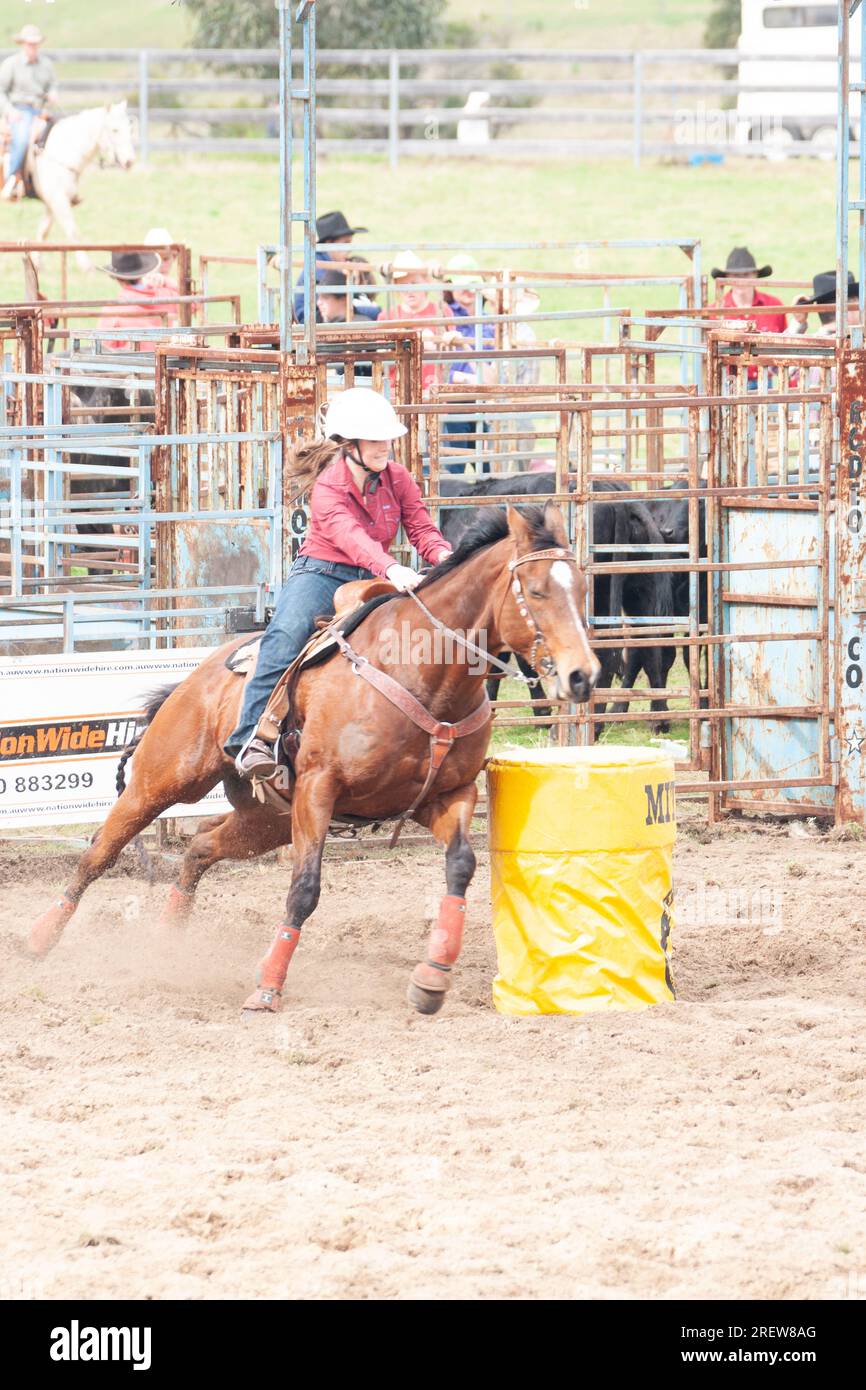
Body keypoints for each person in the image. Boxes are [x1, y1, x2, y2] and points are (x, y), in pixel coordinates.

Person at [225, 387, 452, 779]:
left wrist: (446, 558)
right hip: (322, 574)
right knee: (284, 638)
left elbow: (420, 528)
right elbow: (352, 538)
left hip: (374, 577)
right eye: (376, 439)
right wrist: (392, 569)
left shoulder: (397, 478)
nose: (386, 446)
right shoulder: (329, 486)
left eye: (388, 438)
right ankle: (250, 738)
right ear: (350, 445)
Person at [439, 254, 496, 471]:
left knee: (489, 465)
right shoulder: (445, 316)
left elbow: (495, 370)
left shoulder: (489, 322)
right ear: (450, 287)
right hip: (455, 399)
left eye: (472, 285)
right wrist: (463, 377)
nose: (468, 291)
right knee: (453, 467)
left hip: (482, 401)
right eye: (461, 285)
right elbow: (440, 367)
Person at [378, 250, 453, 396]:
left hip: (432, 389)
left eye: (414, 283)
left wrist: (431, 344)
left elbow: (450, 352)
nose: (409, 291)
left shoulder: (441, 311)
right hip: (397, 391)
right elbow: (380, 362)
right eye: (402, 285)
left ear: (426, 282)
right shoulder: (387, 316)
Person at [712, 246, 786, 388]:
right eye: (736, 276)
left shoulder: (775, 306)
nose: (741, 280)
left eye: (746, 275)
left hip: (764, 380)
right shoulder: (715, 311)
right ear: (727, 277)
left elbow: (785, 347)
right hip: (729, 381)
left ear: (755, 276)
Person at [0, 25, 57, 201]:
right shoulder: (11, 64)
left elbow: (52, 85)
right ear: (23, 44)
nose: (32, 47)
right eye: (29, 44)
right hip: (20, 110)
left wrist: (53, 93)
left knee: (59, 134)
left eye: (35, 44)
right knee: (23, 138)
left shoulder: (46, 65)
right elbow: (1, 90)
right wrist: (10, 111)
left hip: (40, 110)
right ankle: (11, 178)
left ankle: (55, 181)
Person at [293, 209, 369, 323]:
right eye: (345, 243)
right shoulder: (318, 266)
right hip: (310, 320)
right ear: (329, 244)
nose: (349, 249)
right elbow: (340, 296)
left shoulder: (328, 262)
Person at [96, 250, 173, 352]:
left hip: (133, 364)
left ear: (117, 278)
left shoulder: (113, 310)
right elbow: (191, 300)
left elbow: (103, 348)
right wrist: (165, 280)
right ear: (143, 271)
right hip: (164, 361)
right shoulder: (166, 296)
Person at [140, 227, 180, 326]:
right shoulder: (139, 284)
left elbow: (194, 304)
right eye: (155, 259)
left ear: (174, 257)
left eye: (165, 259)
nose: (160, 264)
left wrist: (166, 281)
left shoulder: (174, 286)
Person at [316, 268, 380, 324]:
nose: (318, 302)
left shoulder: (361, 325)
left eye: (325, 297)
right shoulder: (317, 322)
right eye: (319, 297)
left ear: (343, 299)